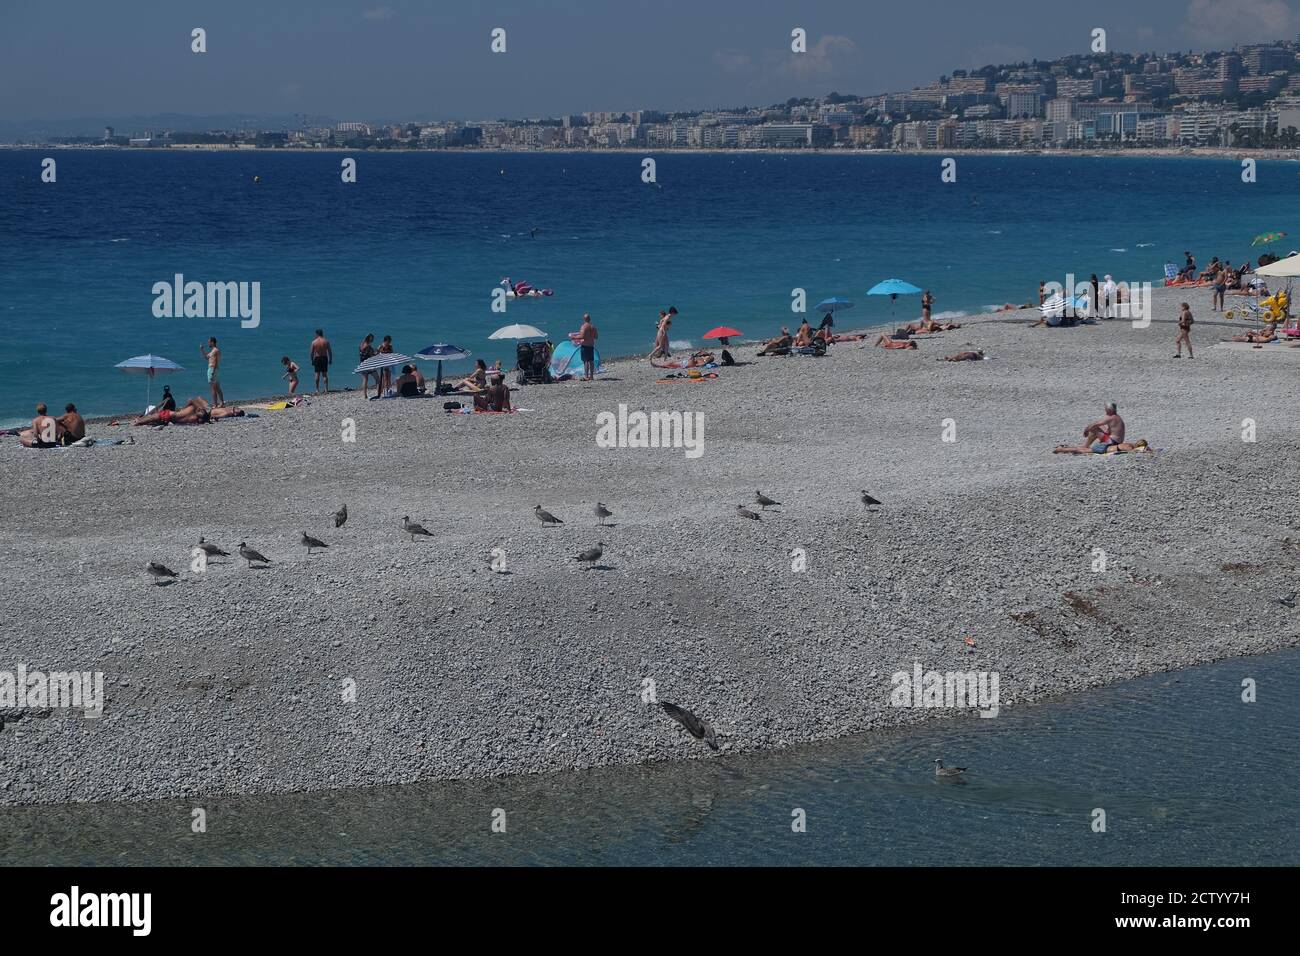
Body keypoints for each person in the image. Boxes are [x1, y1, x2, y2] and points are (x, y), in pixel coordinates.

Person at [1054, 402, 1124, 454]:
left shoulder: (1111, 417)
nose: (1105, 410)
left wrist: (1086, 430)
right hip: (1115, 441)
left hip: (1111, 442)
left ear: (1109, 410)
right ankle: (1086, 445)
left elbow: (1094, 425)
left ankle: (1086, 445)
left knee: (1094, 428)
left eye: (1106, 409)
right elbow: (1108, 430)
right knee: (1099, 427)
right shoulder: (1117, 417)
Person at [199, 337, 224, 407]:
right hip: (215, 369)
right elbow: (206, 358)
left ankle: (215, 404)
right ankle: (222, 403)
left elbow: (215, 361)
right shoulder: (213, 351)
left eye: (209, 342)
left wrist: (212, 371)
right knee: (217, 387)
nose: (208, 343)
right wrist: (202, 350)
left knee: (213, 388)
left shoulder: (215, 350)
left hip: (212, 369)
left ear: (212, 342)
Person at [310, 329, 333, 394]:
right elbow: (329, 351)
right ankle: (326, 389)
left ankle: (317, 390)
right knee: (324, 374)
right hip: (324, 358)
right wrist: (330, 359)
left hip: (317, 358)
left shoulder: (314, 342)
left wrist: (312, 360)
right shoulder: (326, 341)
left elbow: (311, 353)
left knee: (317, 374)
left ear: (317, 334)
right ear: (322, 333)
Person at [577, 313, 598, 381]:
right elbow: (596, 337)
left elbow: (582, 336)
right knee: (591, 361)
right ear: (589, 319)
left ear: (584, 319)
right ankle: (591, 376)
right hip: (591, 345)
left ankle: (586, 376)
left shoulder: (584, 326)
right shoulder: (593, 327)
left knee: (585, 361)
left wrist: (574, 337)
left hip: (585, 346)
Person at [358, 333, 378, 398]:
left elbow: (363, 355)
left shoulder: (361, 345)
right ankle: (379, 392)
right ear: (370, 339)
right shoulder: (369, 347)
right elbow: (373, 355)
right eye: (372, 339)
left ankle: (365, 395)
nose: (373, 340)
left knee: (365, 379)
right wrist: (377, 351)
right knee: (377, 378)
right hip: (369, 365)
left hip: (362, 364)